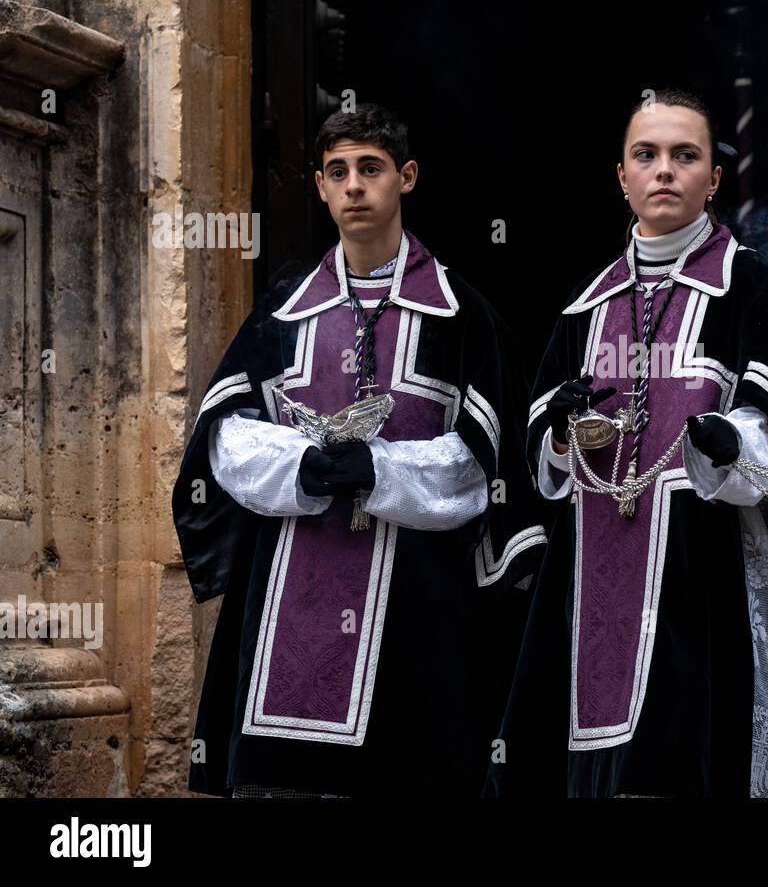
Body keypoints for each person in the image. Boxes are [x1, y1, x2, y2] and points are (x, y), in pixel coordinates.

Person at [487, 89, 768, 797]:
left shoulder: (755, 292)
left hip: (708, 589)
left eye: (684, 155)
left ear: (714, 179)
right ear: (622, 176)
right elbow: (536, 459)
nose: (664, 170)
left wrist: (731, 442)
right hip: (593, 590)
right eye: (647, 155)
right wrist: (560, 438)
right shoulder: (585, 306)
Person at [172, 103, 544, 797]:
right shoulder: (282, 310)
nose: (353, 186)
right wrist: (303, 466)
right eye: (337, 172)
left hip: (416, 598)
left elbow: (484, 463)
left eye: (370, 169)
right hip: (288, 589)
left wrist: (383, 469)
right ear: (318, 186)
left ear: (405, 177)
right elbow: (224, 435)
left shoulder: (460, 314)